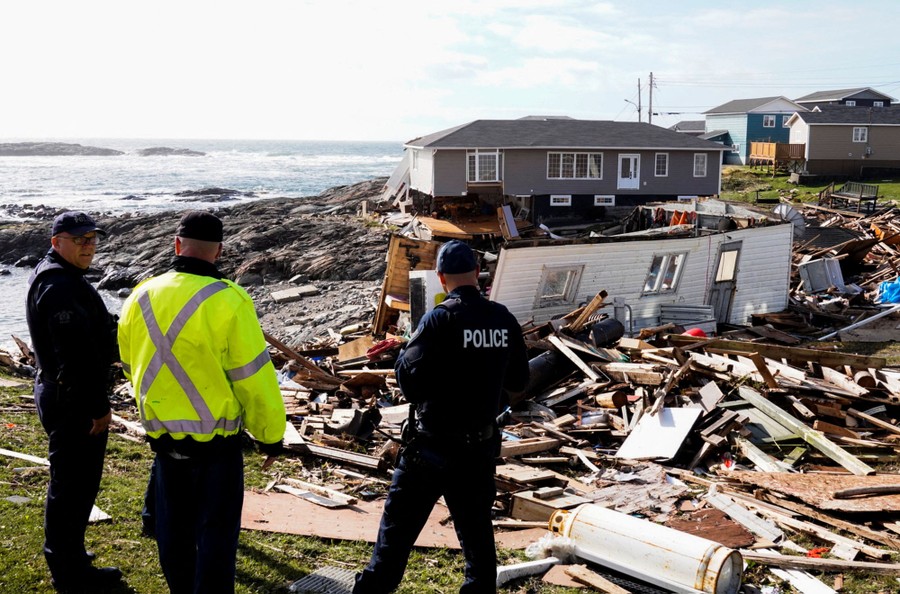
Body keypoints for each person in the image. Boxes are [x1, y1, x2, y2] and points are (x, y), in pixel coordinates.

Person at [117, 210, 286, 594]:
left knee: (172, 533)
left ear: (177, 244)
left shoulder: (140, 295)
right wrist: (270, 436)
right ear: (219, 252)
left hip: (163, 439)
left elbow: (131, 366)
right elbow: (254, 379)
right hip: (217, 448)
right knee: (216, 535)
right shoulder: (229, 299)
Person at [353, 239, 530, 594]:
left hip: (431, 449)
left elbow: (410, 383)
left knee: (395, 540)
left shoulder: (438, 319)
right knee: (478, 542)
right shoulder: (502, 319)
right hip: (478, 448)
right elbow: (519, 381)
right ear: (478, 273)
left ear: (441, 276)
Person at [25, 211, 123, 592]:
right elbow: (74, 358)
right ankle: (70, 573)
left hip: (60, 391)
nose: (89, 246)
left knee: (75, 483)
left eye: (93, 239)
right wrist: (97, 408)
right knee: (73, 486)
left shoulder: (58, 275)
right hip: (72, 400)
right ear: (57, 242)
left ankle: (70, 554)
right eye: (80, 239)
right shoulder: (60, 285)